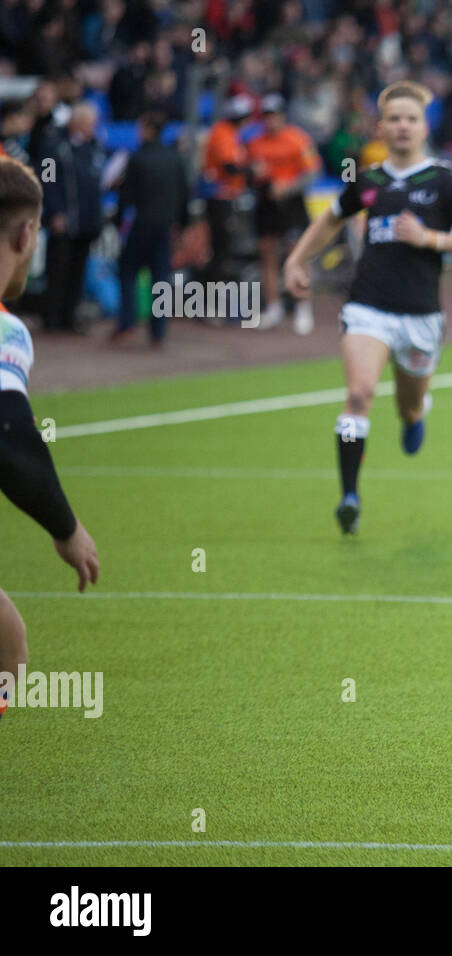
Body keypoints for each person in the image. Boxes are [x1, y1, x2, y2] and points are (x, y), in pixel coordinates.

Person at [282, 81, 452, 536]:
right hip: (367, 306)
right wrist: (297, 259)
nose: (402, 126)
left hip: (421, 315)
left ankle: (415, 415)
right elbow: (331, 218)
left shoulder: (445, 181)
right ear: (381, 127)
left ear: (423, 127)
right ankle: (350, 497)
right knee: (359, 394)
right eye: (394, 119)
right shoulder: (369, 181)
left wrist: (430, 238)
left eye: (411, 119)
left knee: (408, 406)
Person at [0, 157, 100, 722]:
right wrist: (66, 528)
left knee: (6, 637)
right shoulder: (5, 328)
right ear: (27, 233)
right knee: (7, 650)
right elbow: (10, 437)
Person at [112, 110, 189, 345]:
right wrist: (182, 225)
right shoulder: (174, 159)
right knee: (161, 279)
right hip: (165, 227)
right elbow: (184, 195)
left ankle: (127, 324)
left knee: (127, 272)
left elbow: (126, 196)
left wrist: (117, 221)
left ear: (147, 129)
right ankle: (158, 332)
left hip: (142, 224)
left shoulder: (137, 158)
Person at [246, 92, 321, 334]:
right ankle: (274, 307)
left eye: (274, 115)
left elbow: (312, 172)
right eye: (267, 116)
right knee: (267, 254)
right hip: (267, 203)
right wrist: (256, 176)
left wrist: (288, 187)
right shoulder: (256, 143)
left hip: (292, 204)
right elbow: (249, 174)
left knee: (296, 255)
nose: (271, 120)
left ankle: (302, 306)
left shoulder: (298, 139)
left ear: (282, 116)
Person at [39, 101, 105, 333]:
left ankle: (69, 317)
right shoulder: (54, 147)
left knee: (77, 271)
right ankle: (51, 318)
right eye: (89, 124)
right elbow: (46, 181)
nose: (93, 128)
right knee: (58, 270)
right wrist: (55, 211)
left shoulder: (94, 148)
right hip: (63, 221)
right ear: (77, 123)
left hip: (86, 222)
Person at [201, 93, 255, 290]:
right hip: (219, 197)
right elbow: (229, 167)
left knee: (225, 250)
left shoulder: (231, 134)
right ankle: (211, 301)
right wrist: (253, 170)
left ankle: (216, 299)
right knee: (220, 250)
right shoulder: (223, 132)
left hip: (227, 196)